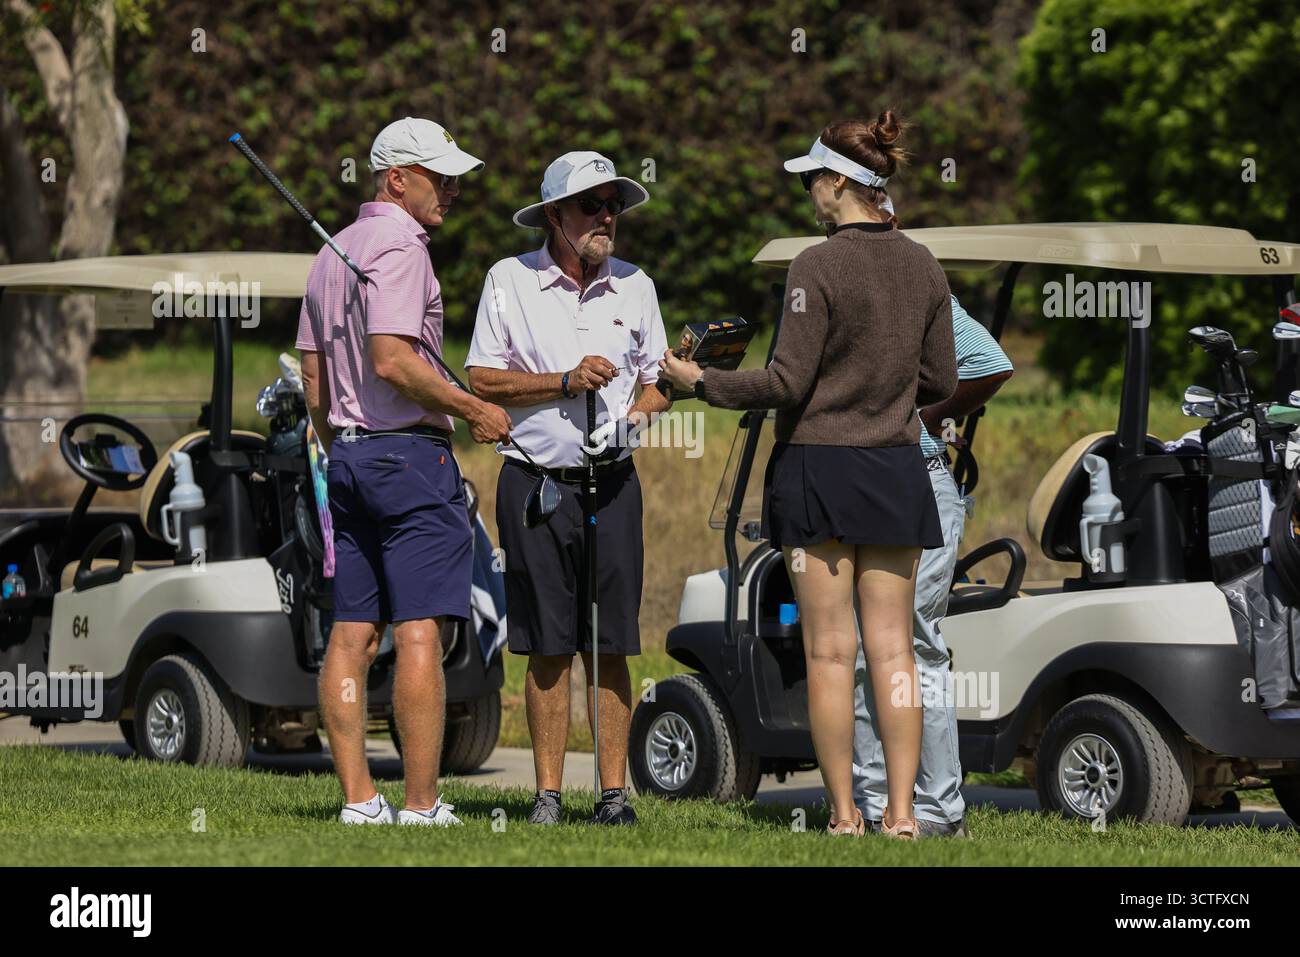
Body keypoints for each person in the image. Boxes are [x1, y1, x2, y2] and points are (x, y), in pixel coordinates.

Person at [660, 113, 956, 839]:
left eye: (810, 181)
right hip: (894, 468)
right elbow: (942, 377)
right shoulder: (925, 263)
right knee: (895, 649)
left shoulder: (814, 265)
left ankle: (846, 815)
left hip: (819, 468)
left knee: (830, 650)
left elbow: (787, 381)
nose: (807, 195)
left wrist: (702, 382)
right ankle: (905, 814)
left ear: (838, 183)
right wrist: (881, 395)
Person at [297, 117, 512, 826]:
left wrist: (340, 445)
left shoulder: (334, 250)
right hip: (409, 457)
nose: (452, 189)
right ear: (397, 178)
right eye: (439, 176)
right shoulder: (401, 245)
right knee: (420, 630)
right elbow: (391, 357)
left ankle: (360, 801)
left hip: (351, 457)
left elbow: (313, 375)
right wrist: (470, 407)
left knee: (353, 631)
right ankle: (421, 805)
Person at [466, 151, 670, 825]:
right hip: (535, 484)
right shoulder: (508, 280)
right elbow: (481, 380)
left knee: (612, 643)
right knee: (548, 643)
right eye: (592, 205)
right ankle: (547, 795)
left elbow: (657, 378)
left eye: (614, 204)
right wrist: (562, 380)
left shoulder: (636, 285)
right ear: (554, 216)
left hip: (613, 484)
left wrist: (636, 418)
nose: (607, 217)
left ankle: (613, 796)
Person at [853, 290, 1014, 838]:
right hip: (859, 480)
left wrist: (930, 415)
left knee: (913, 642)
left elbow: (992, 365)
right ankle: (874, 803)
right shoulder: (831, 285)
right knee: (860, 644)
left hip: (917, 477)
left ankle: (939, 808)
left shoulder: (920, 288)